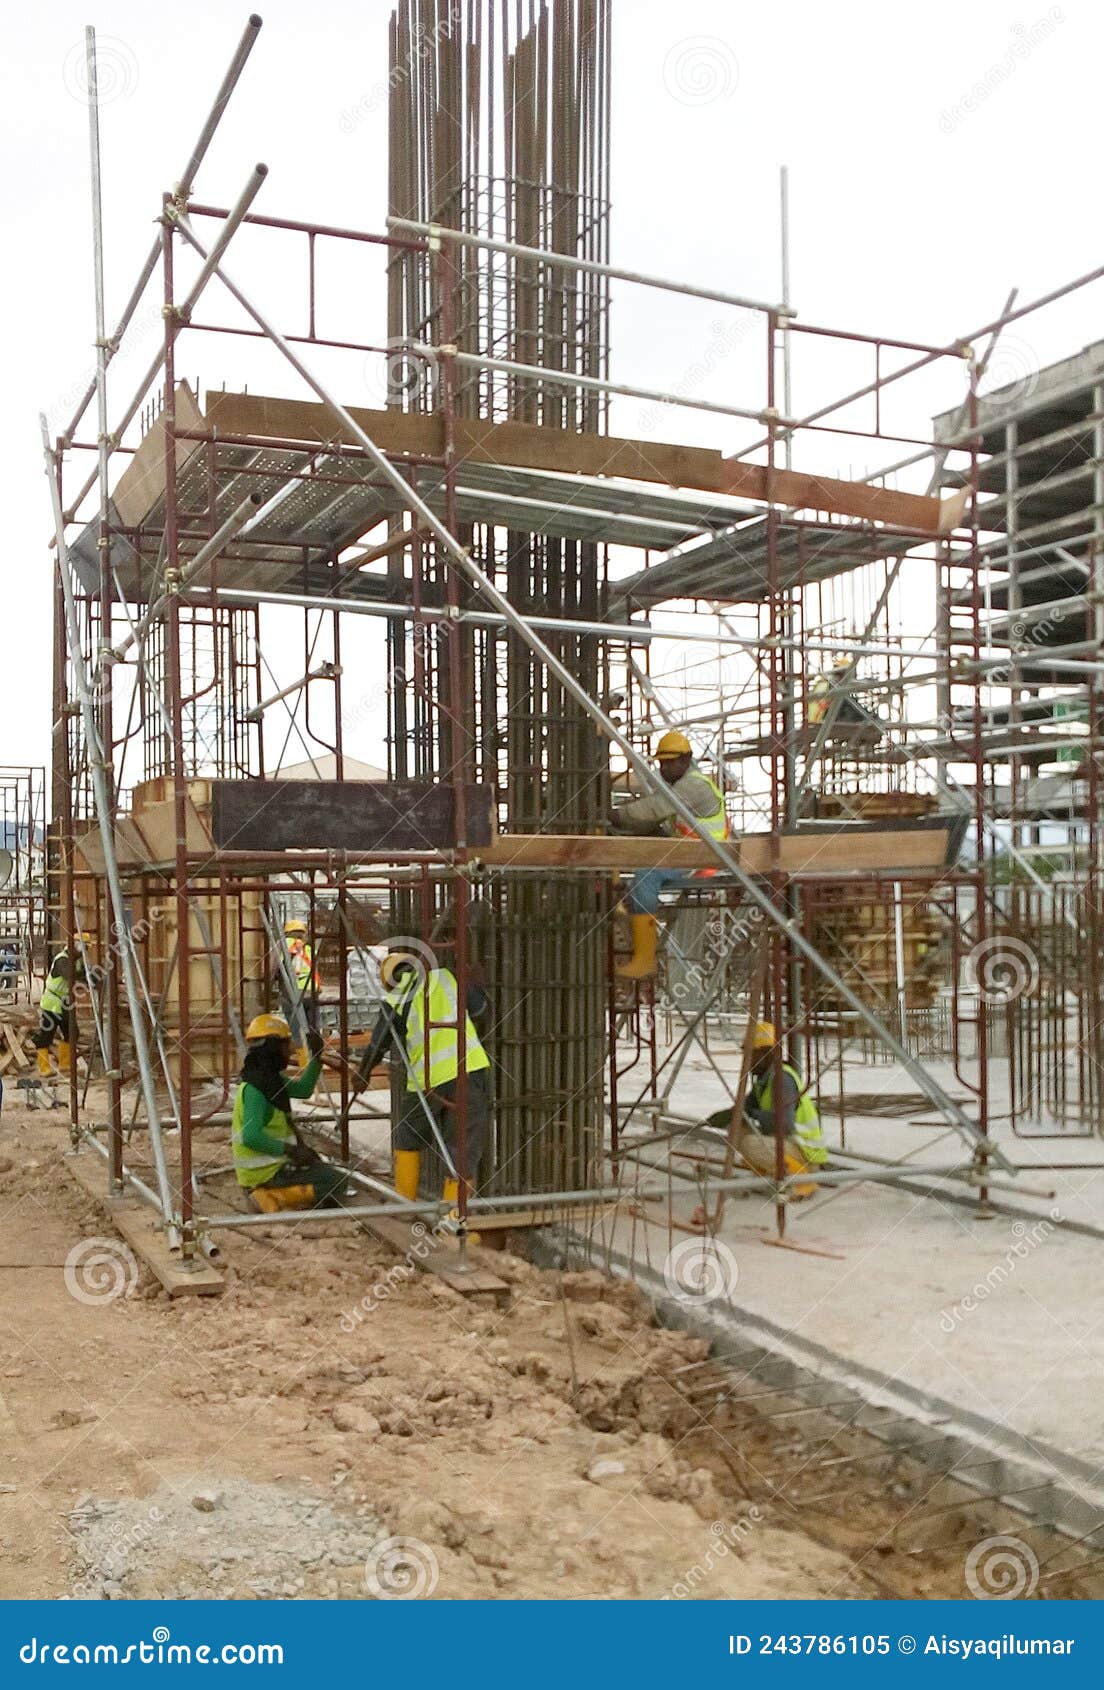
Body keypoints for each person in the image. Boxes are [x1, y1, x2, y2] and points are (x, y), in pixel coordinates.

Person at [357, 952, 492, 1202]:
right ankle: (453, 1220)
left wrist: (363, 1074)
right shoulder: (450, 979)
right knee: (462, 1148)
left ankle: (403, 1205)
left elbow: (378, 1043)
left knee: (407, 1137)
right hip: (468, 1071)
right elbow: (482, 1011)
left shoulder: (395, 998)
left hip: (425, 1080)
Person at [610, 730, 729, 979]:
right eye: (662, 763)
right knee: (643, 847)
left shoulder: (694, 785)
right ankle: (632, 905)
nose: (664, 768)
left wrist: (616, 815)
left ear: (686, 760)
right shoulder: (679, 784)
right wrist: (620, 827)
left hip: (704, 858)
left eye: (670, 762)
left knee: (646, 877)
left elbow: (655, 808)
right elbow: (654, 818)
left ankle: (645, 960)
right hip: (688, 852)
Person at [231, 1013, 348, 1213]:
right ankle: (269, 1197)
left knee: (323, 1172)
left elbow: (303, 1090)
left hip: (270, 1166)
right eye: (285, 1045)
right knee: (336, 1182)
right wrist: (291, 1150)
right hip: (264, 1172)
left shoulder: (267, 1079)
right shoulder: (257, 1089)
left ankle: (279, 1193)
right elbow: (251, 1137)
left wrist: (316, 1058)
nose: (288, 1051)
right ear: (272, 1047)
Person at [740, 1021, 828, 1178]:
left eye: (751, 1054)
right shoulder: (763, 1080)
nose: (747, 1060)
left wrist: (754, 1114)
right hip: (789, 1142)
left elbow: (784, 1124)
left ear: (766, 1053)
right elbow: (745, 1109)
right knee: (736, 1130)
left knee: (749, 1144)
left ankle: (799, 1177)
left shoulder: (782, 1079)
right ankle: (773, 1171)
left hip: (806, 1152)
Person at [32, 937, 90, 1077]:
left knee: (72, 1033)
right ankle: (43, 1068)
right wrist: (85, 975)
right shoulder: (62, 960)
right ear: (75, 946)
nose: (85, 951)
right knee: (46, 1035)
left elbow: (81, 974)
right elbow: (69, 975)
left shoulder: (76, 961)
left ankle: (65, 1065)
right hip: (51, 1003)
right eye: (84, 948)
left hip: (65, 1003)